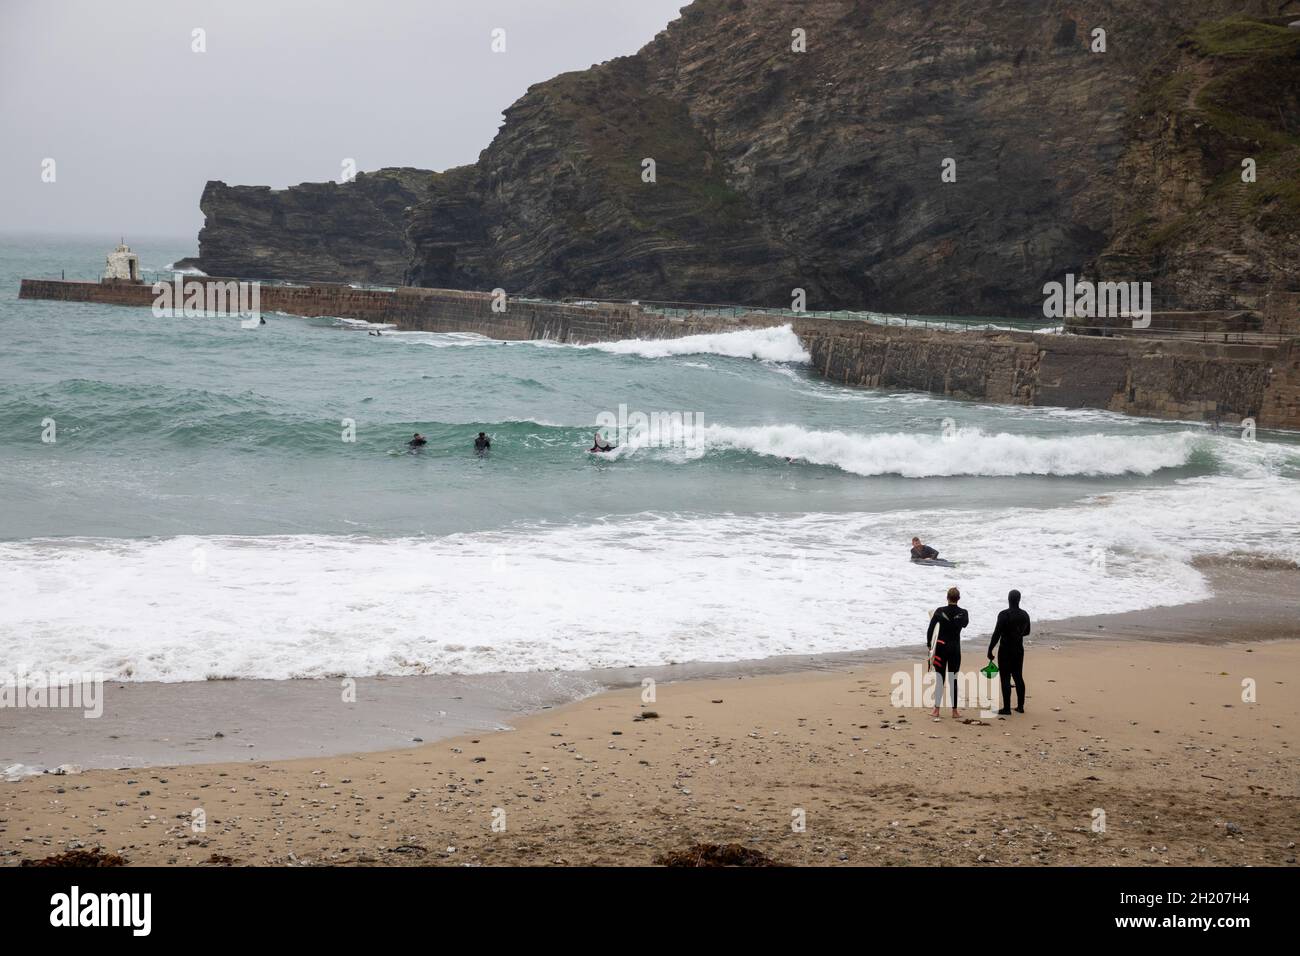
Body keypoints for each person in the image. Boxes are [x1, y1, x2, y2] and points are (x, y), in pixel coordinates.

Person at [926, 586, 969, 718]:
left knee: (940, 679)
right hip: (955, 649)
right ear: (959, 598)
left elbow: (930, 630)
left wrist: (929, 646)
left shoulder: (939, 611)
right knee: (953, 679)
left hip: (941, 648)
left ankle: (936, 710)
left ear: (947, 597)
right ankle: (954, 711)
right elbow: (965, 624)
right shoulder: (963, 613)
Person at [988, 589, 1030, 715]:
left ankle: (1006, 708)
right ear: (1019, 599)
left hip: (1005, 649)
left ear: (1008, 599)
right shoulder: (1025, 615)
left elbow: (996, 633)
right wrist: (1017, 634)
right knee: (1018, 677)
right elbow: (1027, 632)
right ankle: (1020, 707)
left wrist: (990, 649)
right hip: (1018, 649)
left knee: (1005, 677)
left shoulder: (1003, 614)